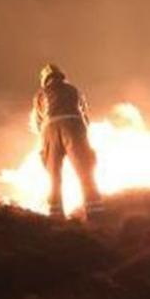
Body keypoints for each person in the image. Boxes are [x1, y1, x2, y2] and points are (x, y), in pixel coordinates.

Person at [30, 63, 103, 219]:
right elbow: (85, 116)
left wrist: (45, 147)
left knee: (53, 176)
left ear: (45, 80)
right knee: (85, 172)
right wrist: (84, 142)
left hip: (49, 129)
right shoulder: (73, 90)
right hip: (74, 126)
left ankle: (56, 216)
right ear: (61, 76)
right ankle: (95, 214)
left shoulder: (40, 94)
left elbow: (38, 123)